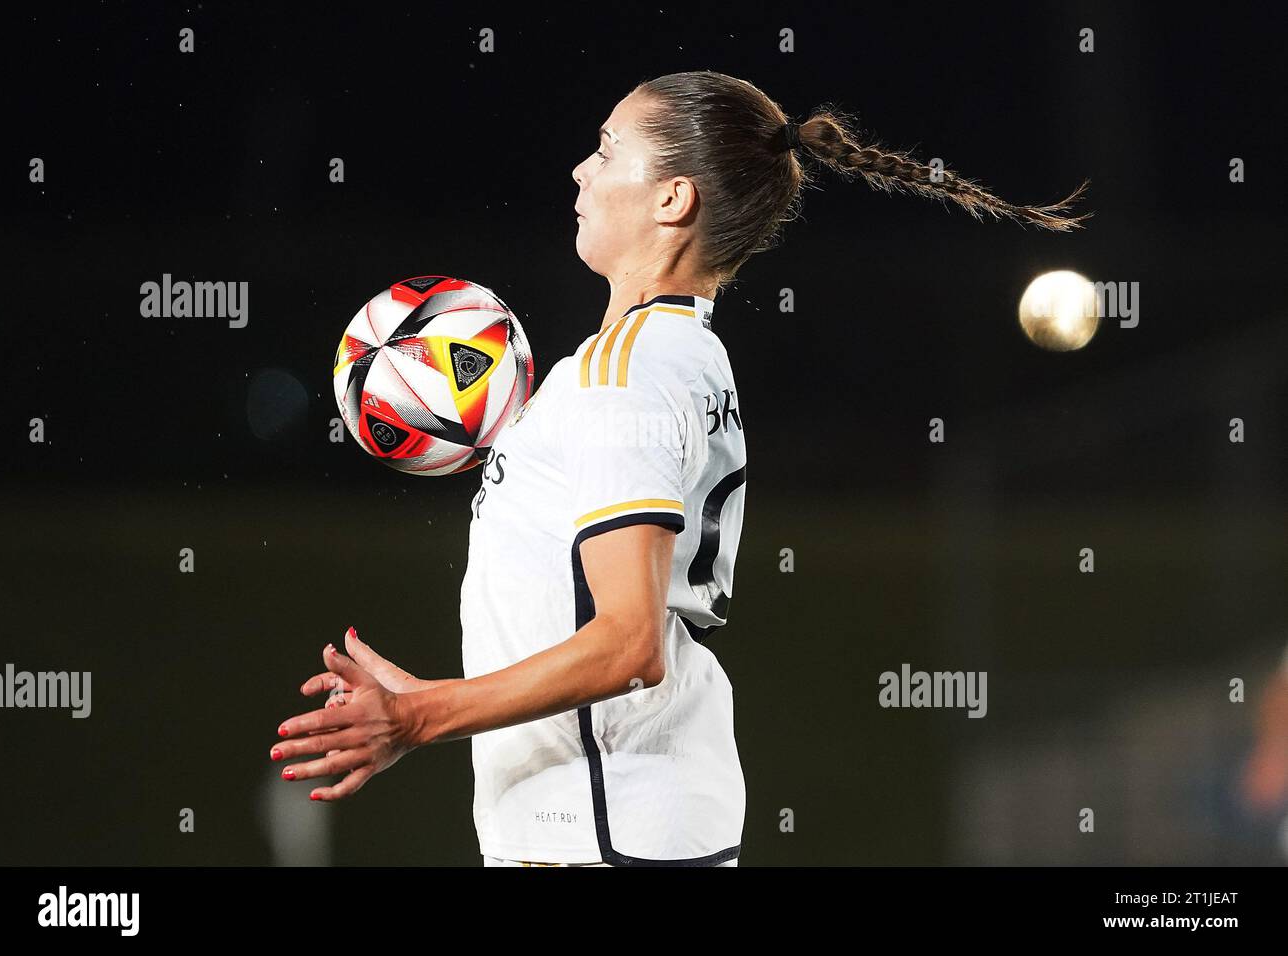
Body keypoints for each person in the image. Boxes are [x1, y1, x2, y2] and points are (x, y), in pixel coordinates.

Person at [268, 70, 1091, 866]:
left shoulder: (630, 370)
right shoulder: (650, 356)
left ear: (673, 198)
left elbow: (628, 646)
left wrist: (418, 716)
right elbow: (590, 618)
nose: (581, 169)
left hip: (605, 829)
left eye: (607, 146)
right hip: (613, 819)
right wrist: (426, 701)